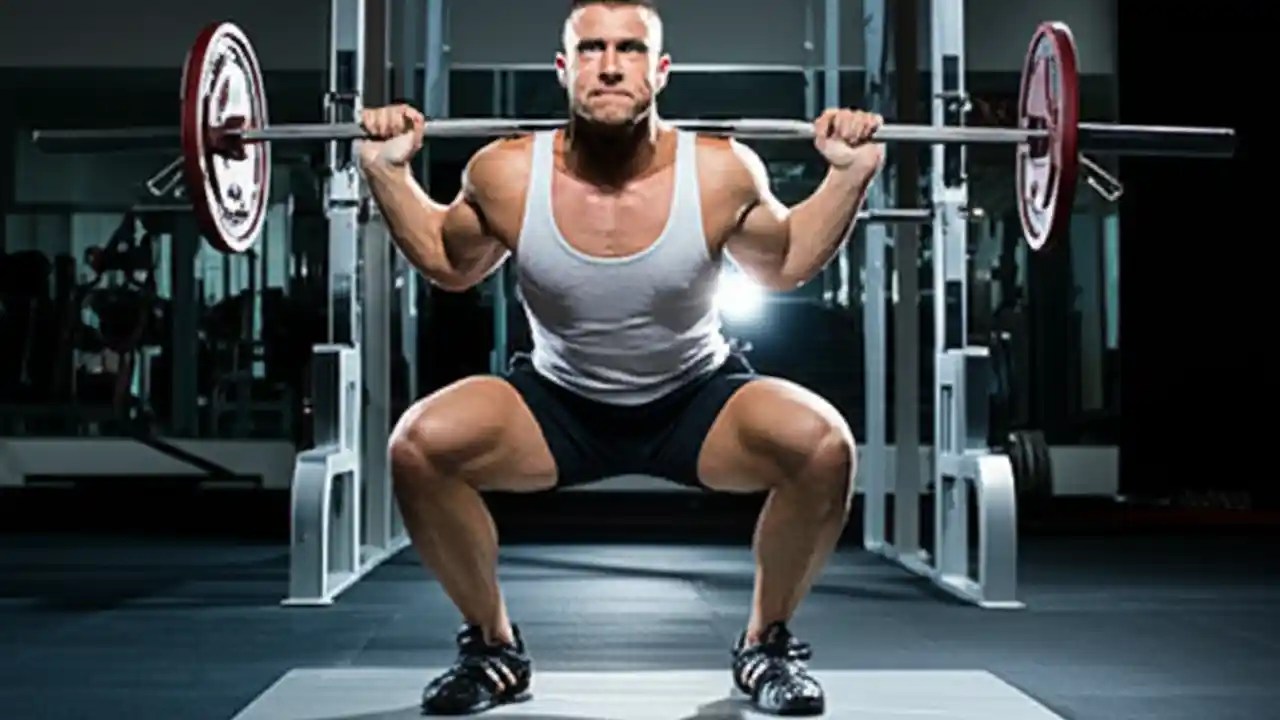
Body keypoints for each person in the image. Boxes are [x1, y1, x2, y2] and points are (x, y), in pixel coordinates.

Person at [358, 0, 883, 714]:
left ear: (660, 71)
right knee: (418, 447)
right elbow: (451, 264)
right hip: (557, 402)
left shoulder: (720, 169)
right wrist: (389, 174)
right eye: (592, 50)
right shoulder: (508, 171)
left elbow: (784, 263)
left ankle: (765, 645)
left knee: (823, 446)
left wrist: (848, 176)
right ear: (563, 68)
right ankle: (493, 647)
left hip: (696, 398)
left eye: (631, 50)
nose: (610, 66)